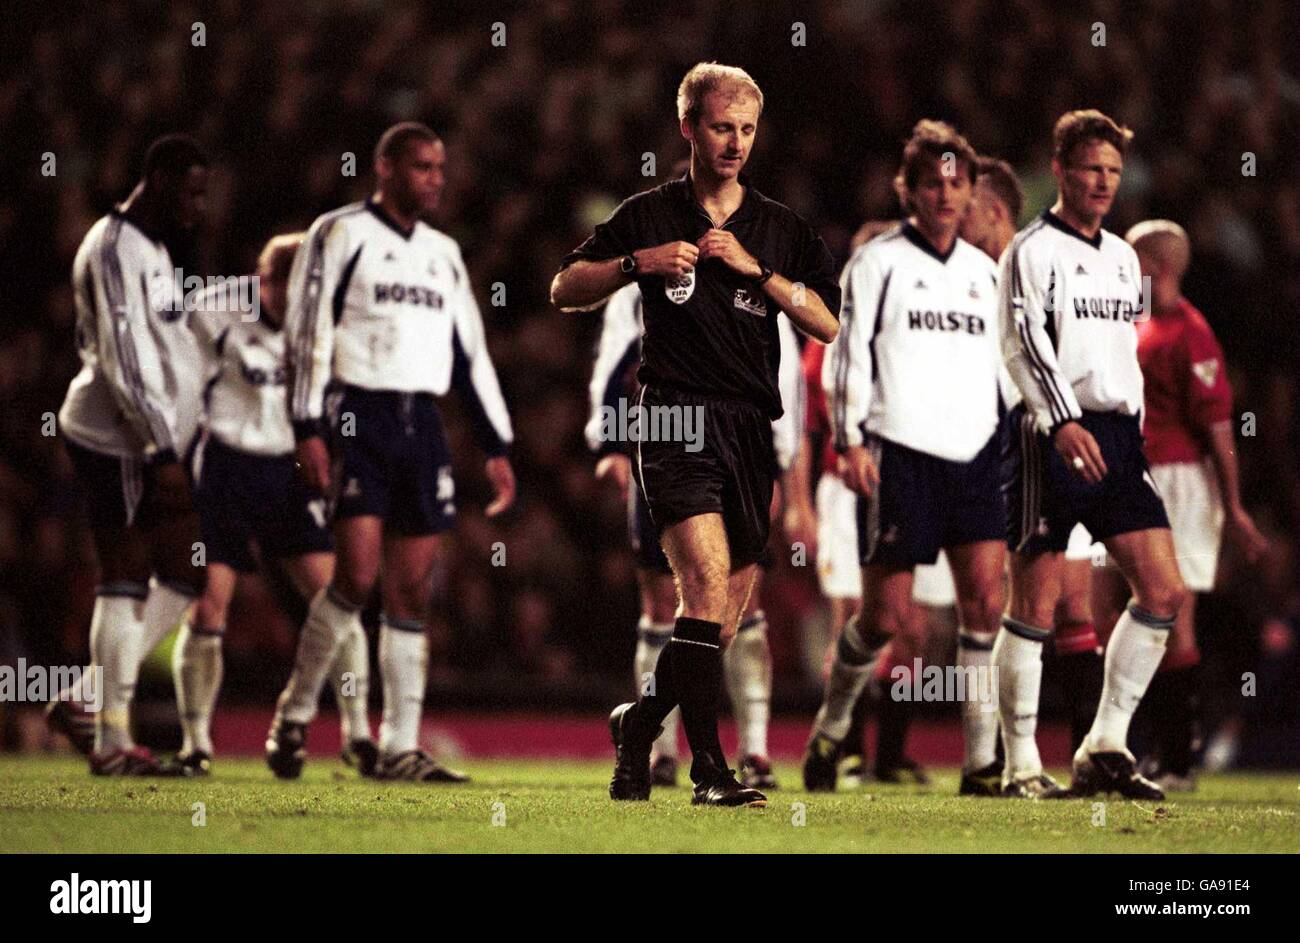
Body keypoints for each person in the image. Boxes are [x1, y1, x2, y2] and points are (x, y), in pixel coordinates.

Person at [552, 62, 839, 806]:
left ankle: (640, 721)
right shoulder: (650, 213)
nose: (736, 142)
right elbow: (565, 287)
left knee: (724, 611)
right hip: (674, 415)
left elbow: (827, 322)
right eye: (721, 127)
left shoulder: (779, 227)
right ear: (688, 127)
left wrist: (760, 272)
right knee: (704, 584)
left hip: (751, 426)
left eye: (746, 129)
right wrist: (633, 264)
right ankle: (712, 768)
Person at [275, 122, 516, 782]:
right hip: (359, 412)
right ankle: (295, 712)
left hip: (422, 423)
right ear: (383, 168)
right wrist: (307, 423)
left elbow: (469, 350)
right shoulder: (342, 232)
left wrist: (496, 442)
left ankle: (399, 742)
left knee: (411, 587)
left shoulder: (443, 253)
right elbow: (309, 326)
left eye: (440, 167)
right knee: (354, 577)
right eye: (421, 166)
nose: (435, 178)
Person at [803, 121, 1005, 797]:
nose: (946, 195)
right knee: (883, 618)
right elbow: (847, 354)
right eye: (932, 183)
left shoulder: (986, 274)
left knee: (983, 604)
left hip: (974, 458)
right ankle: (832, 729)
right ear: (908, 190)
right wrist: (850, 437)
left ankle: (983, 763)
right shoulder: (878, 262)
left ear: (972, 192)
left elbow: (1003, 368)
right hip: (901, 455)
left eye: (957, 183)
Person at [998, 110, 1184, 799]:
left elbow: (1121, 348)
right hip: (1050, 432)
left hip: (1115, 435)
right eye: (1091, 169)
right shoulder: (1031, 250)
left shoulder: (1124, 258)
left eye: (1113, 170)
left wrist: (1127, 424)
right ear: (1061, 171)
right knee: (1036, 600)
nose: (1104, 182)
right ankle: (1019, 763)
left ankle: (1104, 744)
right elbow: (1022, 345)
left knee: (1162, 589)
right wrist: (1061, 420)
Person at [174, 234, 374, 777]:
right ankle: (197, 743)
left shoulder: (325, 317)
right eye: (294, 290)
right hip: (225, 469)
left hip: (290, 469)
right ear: (266, 282)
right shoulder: (211, 311)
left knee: (337, 597)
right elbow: (174, 379)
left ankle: (358, 732)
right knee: (210, 607)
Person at [1091, 220, 1268, 791]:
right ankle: (1118, 742)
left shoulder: (1192, 334)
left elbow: (1219, 427)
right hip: (1131, 473)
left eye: (1132, 262)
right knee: (1109, 609)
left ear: (1157, 269)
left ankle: (1178, 756)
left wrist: (1234, 508)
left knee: (1175, 615)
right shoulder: (1135, 323)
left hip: (1184, 483)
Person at [54, 134, 210, 776]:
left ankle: (86, 701)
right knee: (123, 571)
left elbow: (169, 345)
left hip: (150, 439)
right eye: (193, 191)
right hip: (115, 436)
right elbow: (123, 355)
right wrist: (158, 444)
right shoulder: (114, 246)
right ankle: (113, 741)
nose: (198, 206)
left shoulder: (152, 250)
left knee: (184, 570)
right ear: (162, 179)